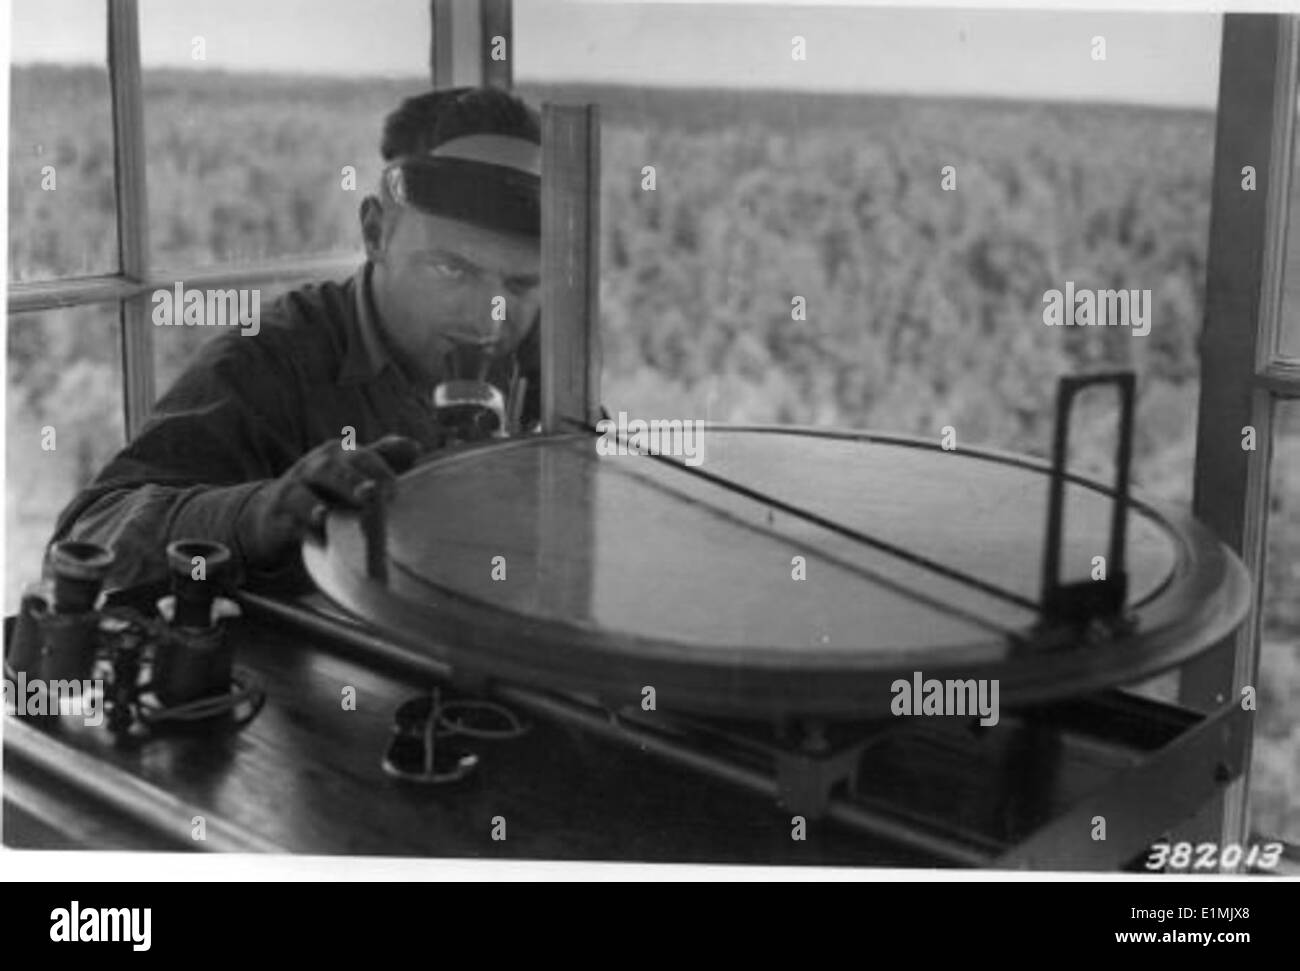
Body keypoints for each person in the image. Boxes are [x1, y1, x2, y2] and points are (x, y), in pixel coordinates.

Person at [50, 86, 544, 594]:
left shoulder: (539, 362)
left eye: (520, 284)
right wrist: (262, 512)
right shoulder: (266, 362)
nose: (489, 320)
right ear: (376, 233)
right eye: (450, 269)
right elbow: (89, 538)